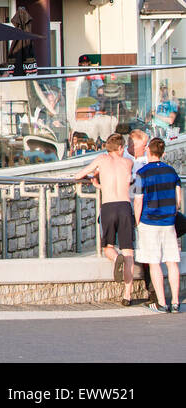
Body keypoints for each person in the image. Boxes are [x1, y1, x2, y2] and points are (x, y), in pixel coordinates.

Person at [73, 133, 137, 306]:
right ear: (120, 148)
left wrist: (96, 183)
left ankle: (116, 259)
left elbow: (79, 175)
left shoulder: (101, 159)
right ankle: (127, 295)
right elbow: (128, 181)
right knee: (129, 253)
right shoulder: (128, 162)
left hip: (108, 207)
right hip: (124, 206)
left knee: (108, 247)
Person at [132, 137, 184, 312]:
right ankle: (176, 302)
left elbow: (138, 200)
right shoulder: (172, 172)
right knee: (172, 262)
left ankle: (162, 302)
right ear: (162, 152)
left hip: (149, 221)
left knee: (154, 262)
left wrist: (137, 222)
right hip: (169, 222)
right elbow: (178, 200)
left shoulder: (142, 173)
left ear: (148, 150)